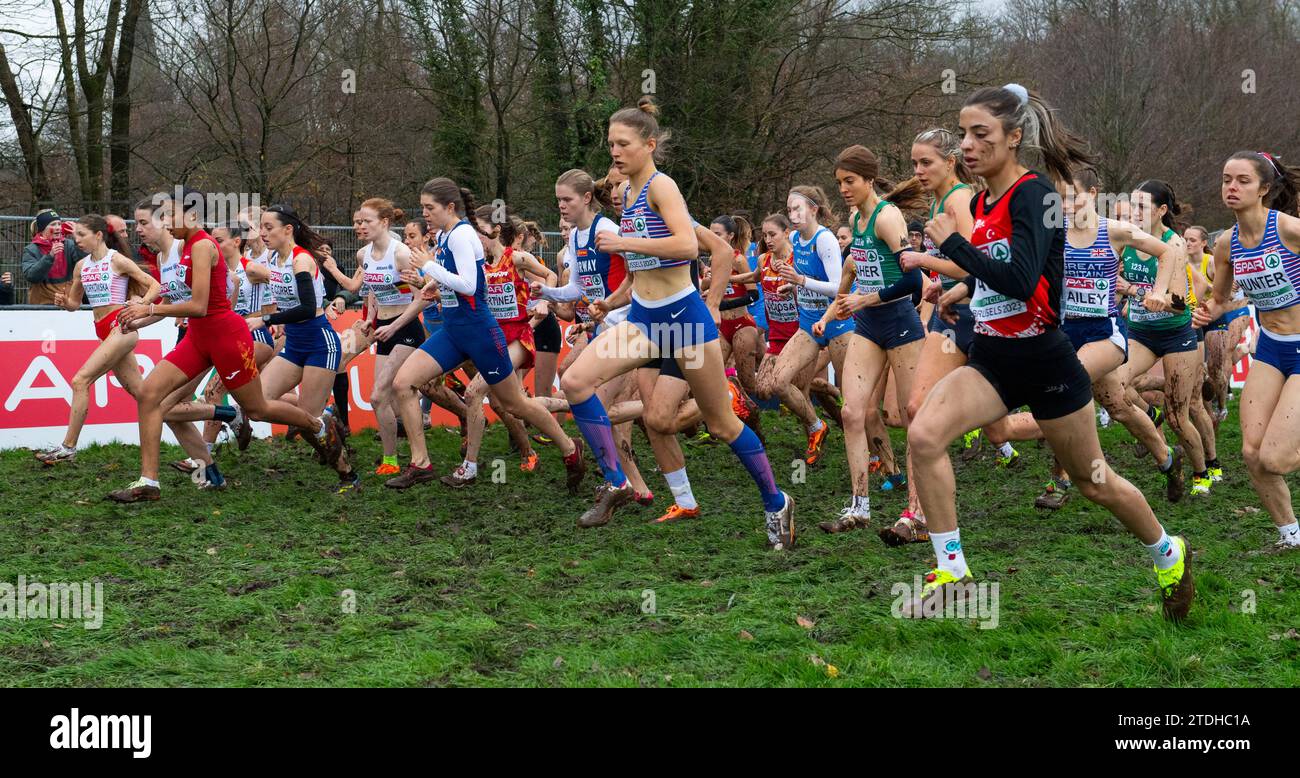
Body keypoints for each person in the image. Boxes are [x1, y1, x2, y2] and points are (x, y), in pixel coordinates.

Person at [902, 83, 1193, 620]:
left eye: (979, 134)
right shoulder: (983, 201)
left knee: (1093, 481)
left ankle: (1168, 552)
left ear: (1014, 138)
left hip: (1044, 360)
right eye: (963, 133)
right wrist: (957, 289)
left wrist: (953, 247)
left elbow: (1019, 278)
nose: (966, 144)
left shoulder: (1034, 195)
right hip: (992, 356)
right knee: (923, 433)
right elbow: (993, 278)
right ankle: (953, 574)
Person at [559, 98, 792, 545]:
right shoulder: (626, 194)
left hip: (683, 321)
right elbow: (640, 265)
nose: (614, 152)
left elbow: (688, 247)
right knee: (576, 383)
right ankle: (618, 481)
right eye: (610, 144)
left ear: (648, 145)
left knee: (722, 424)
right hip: (645, 320)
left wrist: (711, 304)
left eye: (623, 144)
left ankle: (776, 502)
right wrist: (612, 301)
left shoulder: (663, 189)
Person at [109, 189, 348, 502]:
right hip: (198, 338)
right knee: (149, 395)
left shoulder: (202, 245)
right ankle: (149, 482)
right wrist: (140, 315)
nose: (164, 223)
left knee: (257, 409)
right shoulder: (180, 247)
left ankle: (316, 423)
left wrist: (149, 309)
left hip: (226, 338)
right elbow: (198, 293)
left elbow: (198, 305)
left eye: (168, 216)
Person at [386, 177, 588, 491]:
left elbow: (468, 285)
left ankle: (569, 448)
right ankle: (421, 463)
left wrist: (429, 267)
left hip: (480, 332)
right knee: (404, 383)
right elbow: (459, 278)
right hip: (453, 331)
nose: (424, 212)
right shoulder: (447, 234)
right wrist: (432, 283)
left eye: (429, 207)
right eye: (422, 206)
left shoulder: (463, 234)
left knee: (515, 404)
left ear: (449, 207)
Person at [1194, 150, 1300, 553]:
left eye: (1242, 181)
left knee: (1275, 457)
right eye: (1226, 179)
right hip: (1272, 350)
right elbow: (1220, 299)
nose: (1231, 188)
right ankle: (1290, 535)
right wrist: (1206, 313)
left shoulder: (1289, 230)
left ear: (1265, 189)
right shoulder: (1226, 244)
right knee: (1252, 452)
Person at [35, 215, 160, 464]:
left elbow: (154, 285)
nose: (77, 240)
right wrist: (63, 303)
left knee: (80, 380)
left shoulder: (117, 259)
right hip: (102, 330)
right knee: (143, 394)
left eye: (82, 235)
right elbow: (74, 304)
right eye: (75, 236)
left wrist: (141, 304)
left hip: (121, 327)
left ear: (99, 235)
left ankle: (68, 448)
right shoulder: (81, 266)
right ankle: (221, 414)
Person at [22, 209, 83, 305]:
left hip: (68, 303)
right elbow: (31, 276)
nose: (58, 227)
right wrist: (50, 256)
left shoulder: (69, 245)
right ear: (42, 229)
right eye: (53, 224)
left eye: (59, 224)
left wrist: (78, 239)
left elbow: (85, 264)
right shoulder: (31, 249)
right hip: (42, 305)